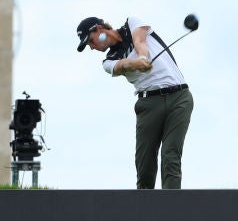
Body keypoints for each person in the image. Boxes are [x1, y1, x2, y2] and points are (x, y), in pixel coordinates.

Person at [77, 15, 193, 189]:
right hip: (149, 105)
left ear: (99, 29)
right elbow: (123, 65)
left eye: (91, 41)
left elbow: (140, 41)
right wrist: (136, 63)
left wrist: (143, 58)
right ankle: (145, 206)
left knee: (170, 157)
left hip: (179, 98)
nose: (92, 47)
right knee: (144, 166)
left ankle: (171, 205)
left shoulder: (131, 23)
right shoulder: (108, 61)